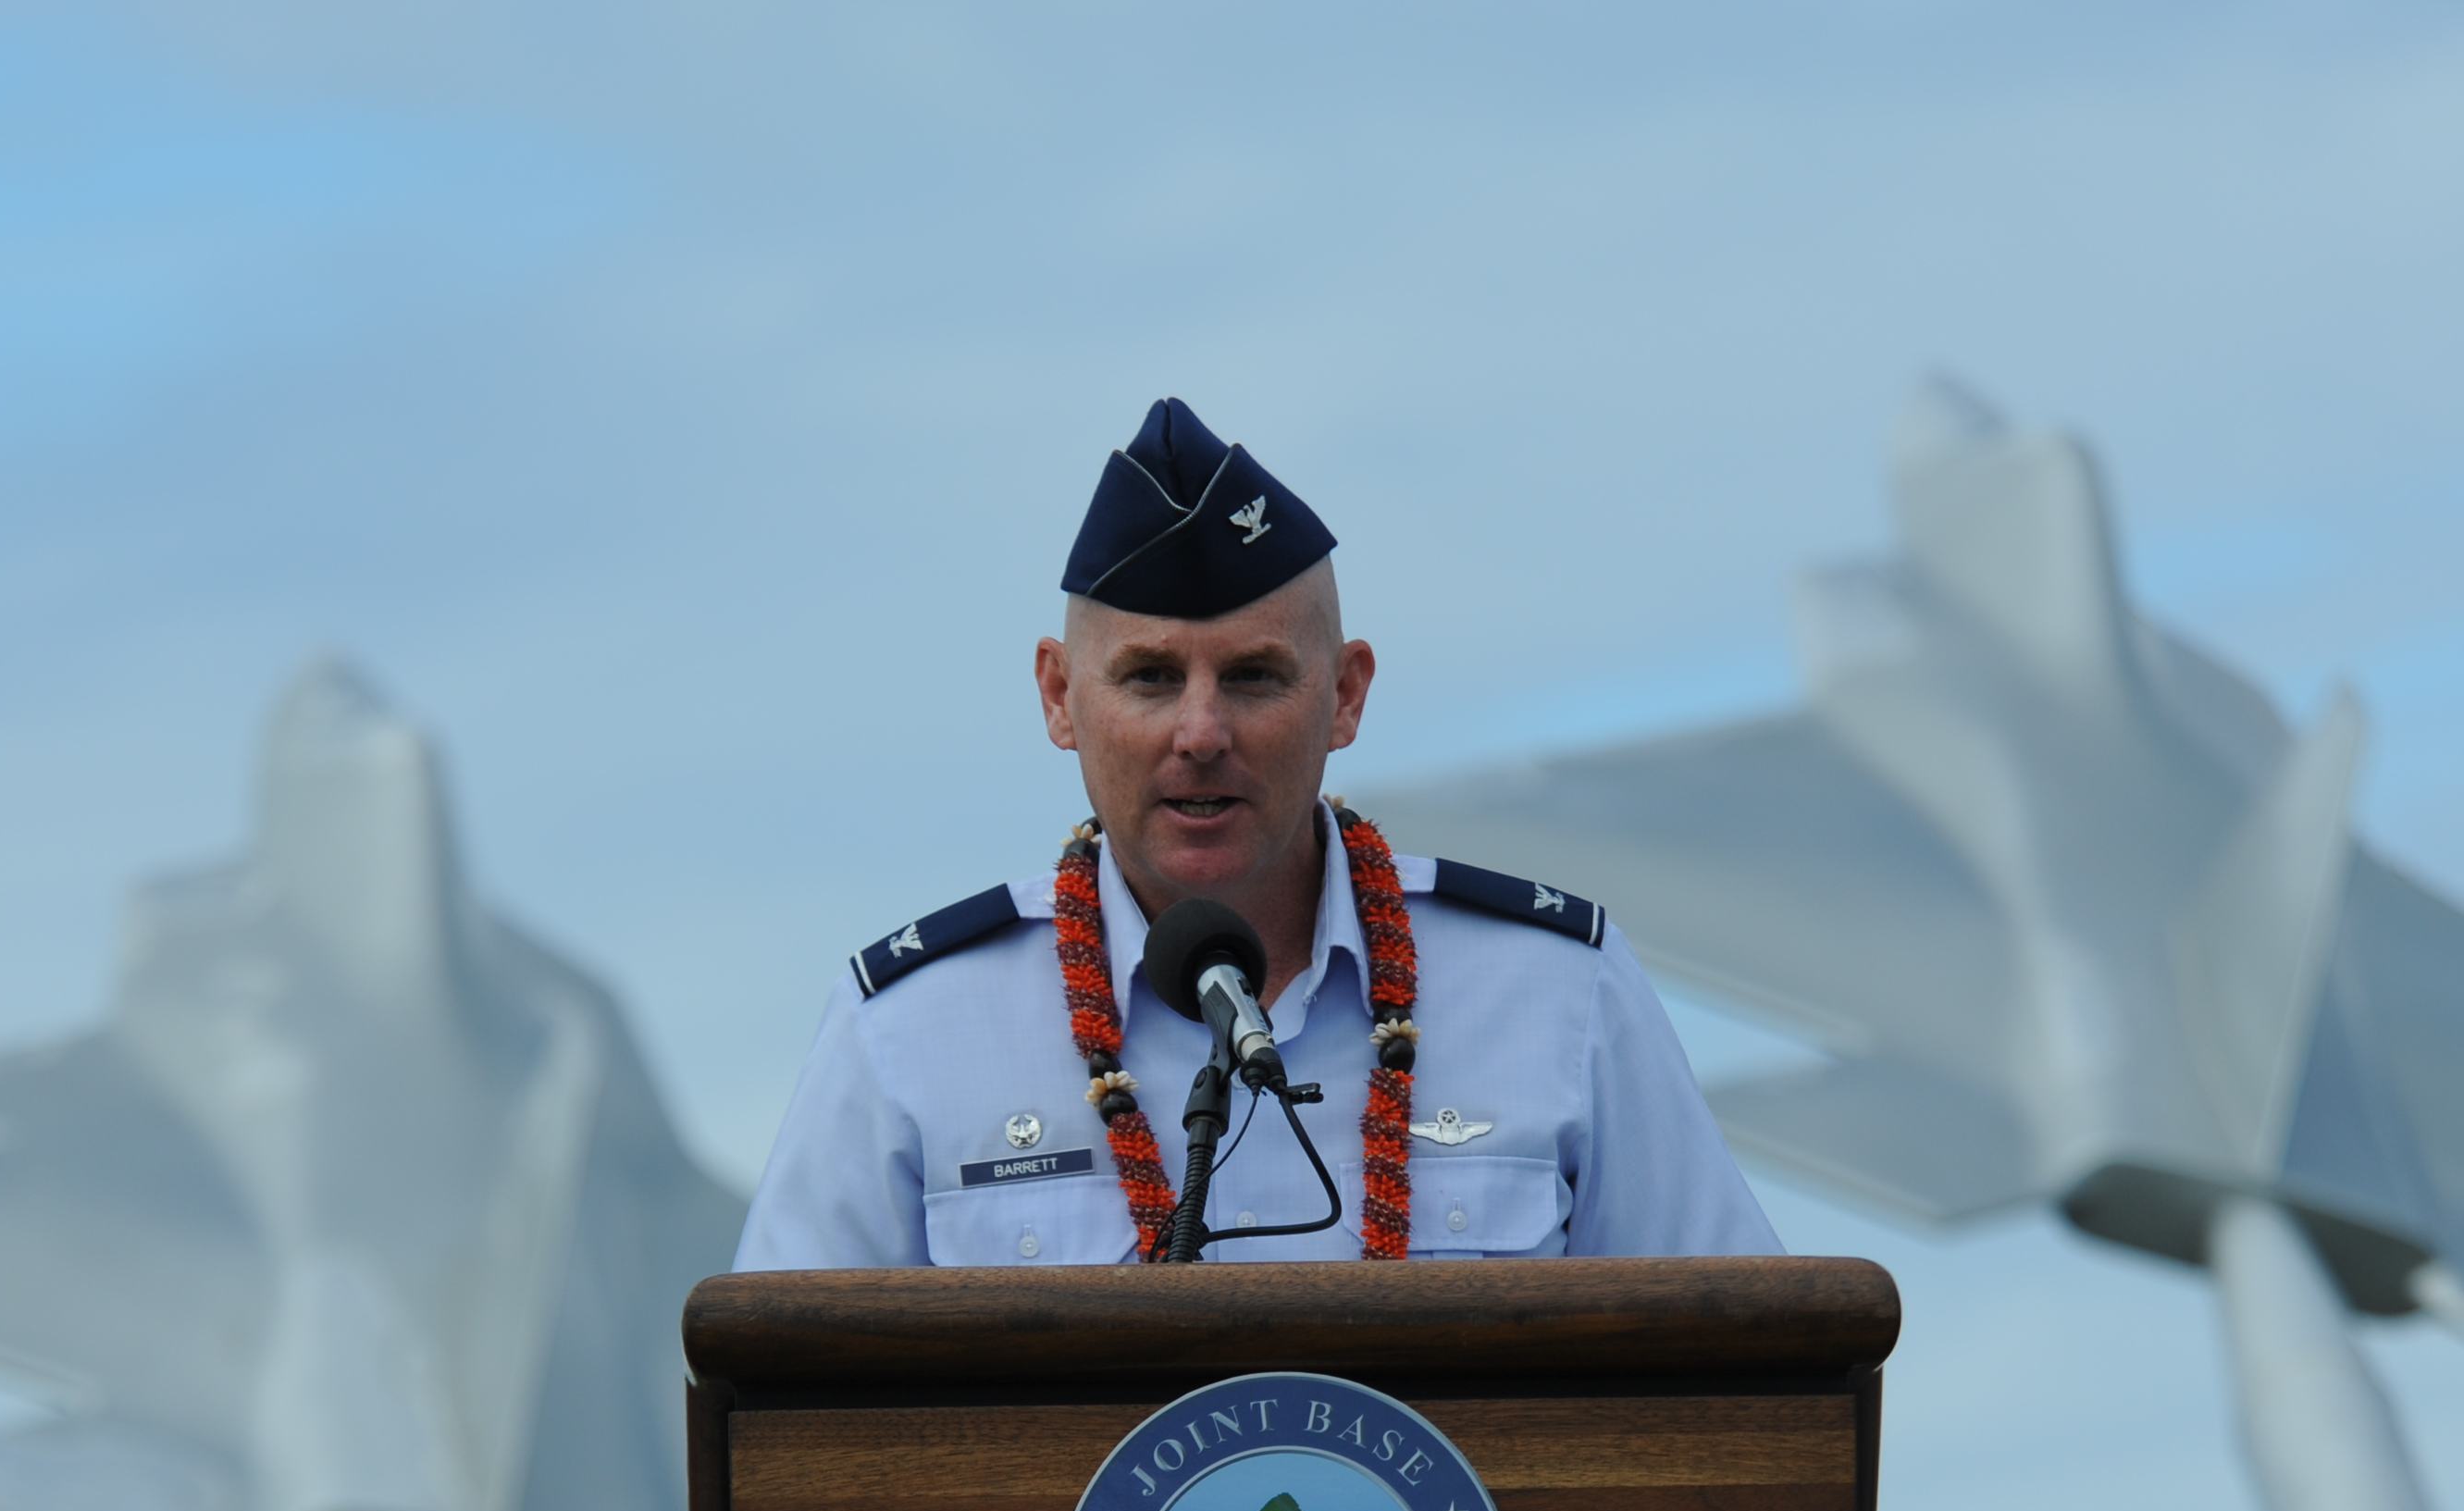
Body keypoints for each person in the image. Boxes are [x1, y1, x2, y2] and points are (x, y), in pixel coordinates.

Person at [735, 393, 1782, 1272]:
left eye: (1253, 677)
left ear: (1345, 695)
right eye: (1147, 678)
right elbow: (769, 1436)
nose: (1199, 734)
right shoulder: (910, 1036)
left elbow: (1752, 1381)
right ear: (1059, 698)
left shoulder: (1557, 995)